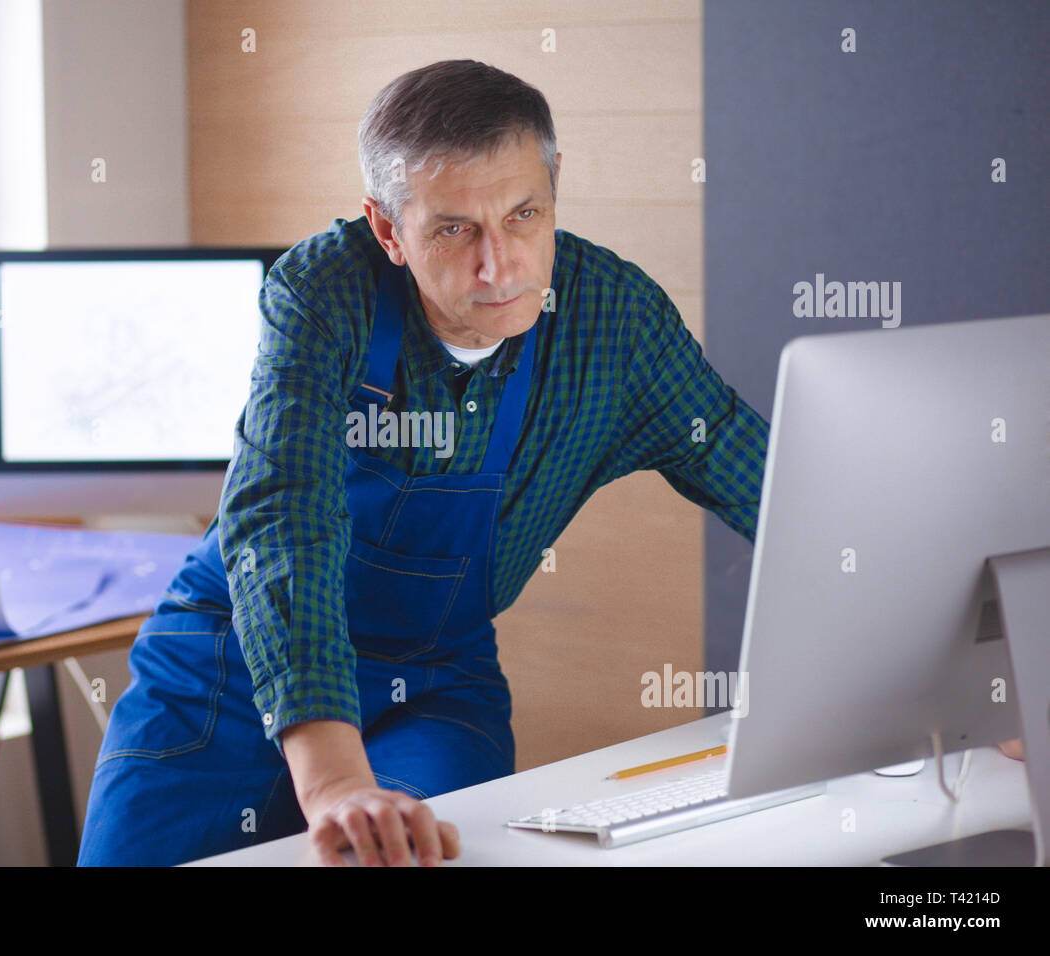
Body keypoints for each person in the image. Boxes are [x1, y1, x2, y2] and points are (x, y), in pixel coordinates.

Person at [77, 59, 774, 867]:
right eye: (453, 229)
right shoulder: (323, 293)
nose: (498, 264)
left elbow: (765, 482)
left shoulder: (615, 323)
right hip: (230, 657)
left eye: (523, 215)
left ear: (555, 190)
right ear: (386, 229)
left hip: (431, 685)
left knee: (420, 858)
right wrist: (335, 782)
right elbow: (282, 524)